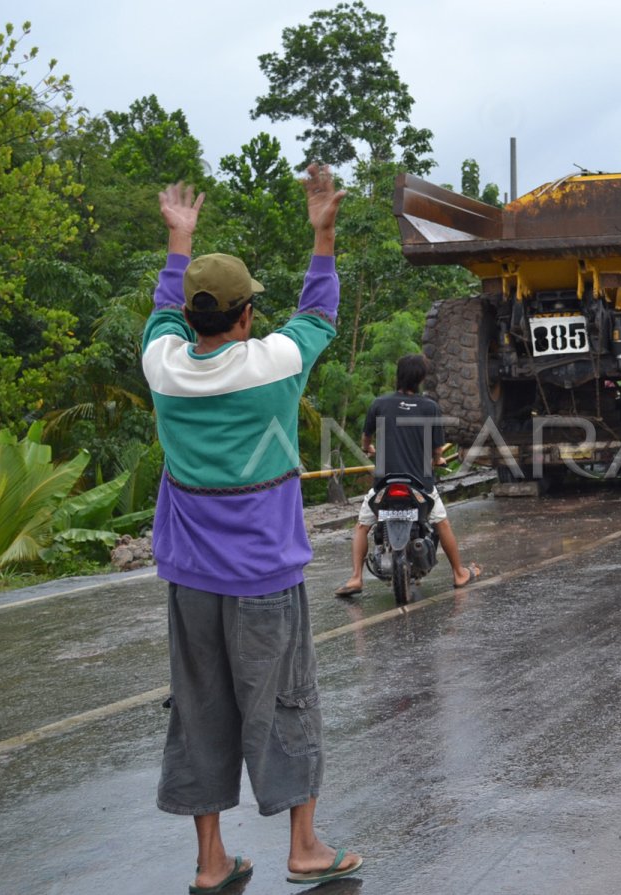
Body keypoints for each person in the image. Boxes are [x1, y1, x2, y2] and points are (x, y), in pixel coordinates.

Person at [144, 167, 363, 891]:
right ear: (244, 317)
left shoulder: (162, 367)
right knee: (287, 700)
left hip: (189, 580)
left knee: (198, 708)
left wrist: (180, 241)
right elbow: (319, 313)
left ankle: (212, 861)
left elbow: (161, 311)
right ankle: (303, 847)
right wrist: (322, 234)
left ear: (192, 318)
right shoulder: (272, 366)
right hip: (265, 577)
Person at [334, 355, 482, 597]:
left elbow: (366, 439)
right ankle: (459, 573)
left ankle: (356, 577)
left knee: (362, 526)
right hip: (420, 484)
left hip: (384, 483)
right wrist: (437, 459)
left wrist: (368, 448)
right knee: (442, 523)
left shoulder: (379, 404)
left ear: (398, 376)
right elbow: (437, 450)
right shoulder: (430, 407)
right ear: (421, 379)